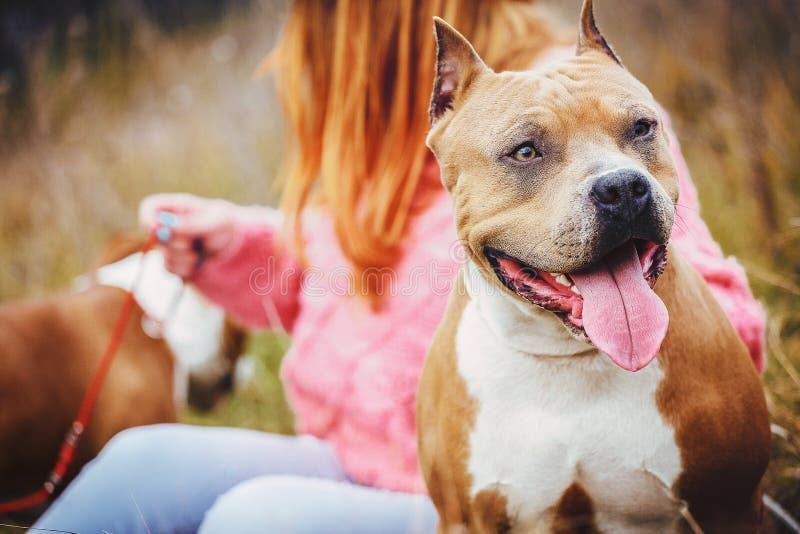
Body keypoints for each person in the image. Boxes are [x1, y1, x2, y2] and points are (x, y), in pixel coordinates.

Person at [33, 1, 765, 532]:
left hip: (466, 481)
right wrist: (243, 245)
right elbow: (361, 289)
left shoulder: (574, 94)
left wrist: (666, 391)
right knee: (138, 461)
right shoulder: (412, 131)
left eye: (315, 25)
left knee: (252, 519)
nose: (300, 43)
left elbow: (690, 270)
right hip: (361, 455)